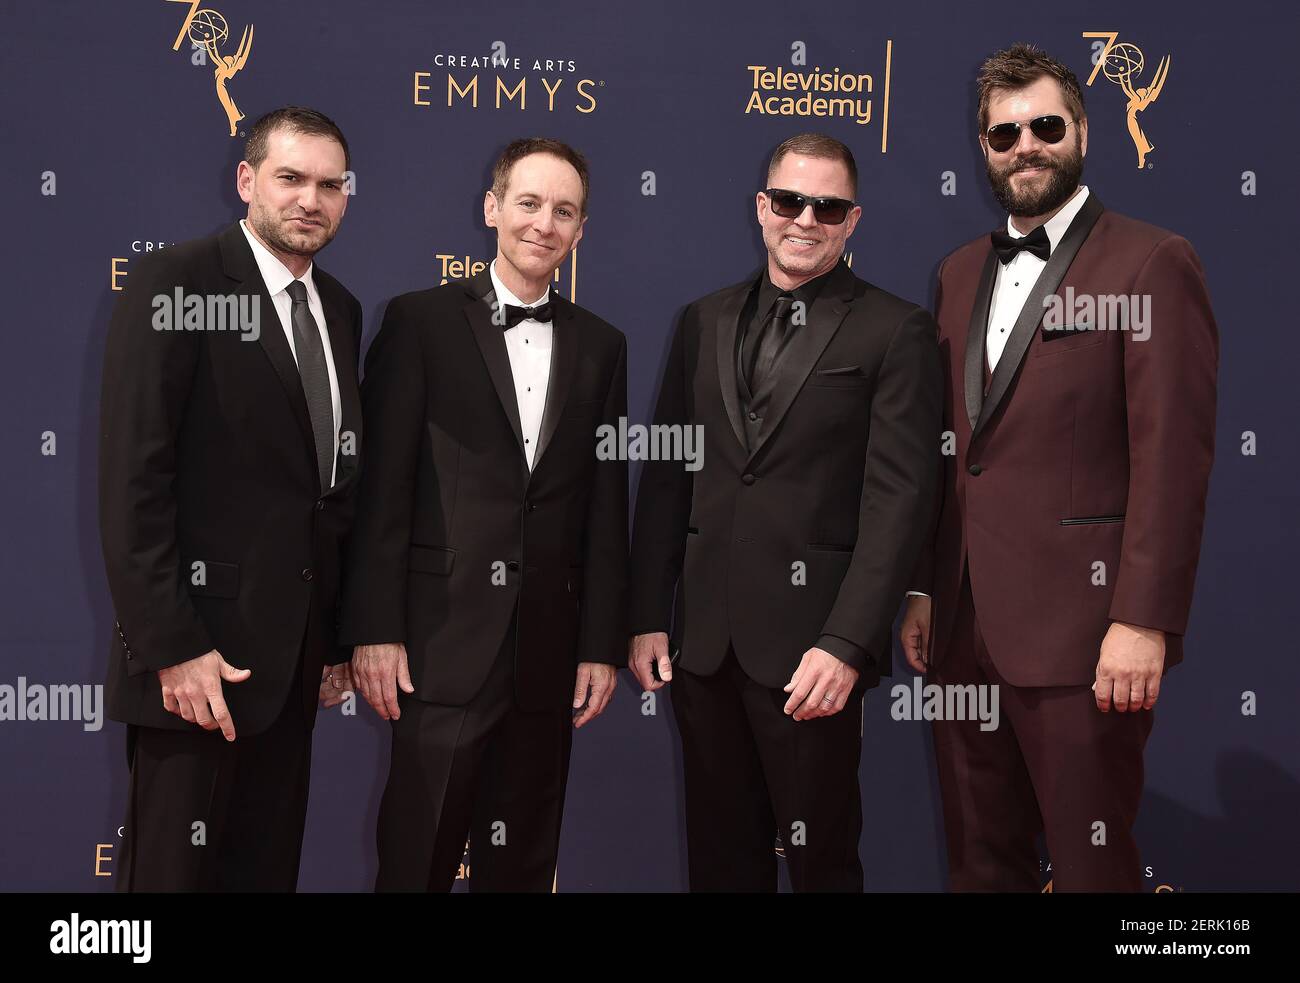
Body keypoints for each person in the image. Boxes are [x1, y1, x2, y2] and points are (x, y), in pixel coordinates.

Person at [900, 43, 1218, 891]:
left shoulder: (1152, 262)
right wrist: (930, 587)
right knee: (980, 863)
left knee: (1091, 869)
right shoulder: (959, 273)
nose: (1025, 146)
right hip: (964, 633)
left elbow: (1173, 458)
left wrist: (1143, 618)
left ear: (1081, 131)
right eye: (1004, 135)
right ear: (984, 148)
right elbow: (955, 452)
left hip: (1087, 637)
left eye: (1044, 125)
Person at [629, 133, 942, 891]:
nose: (807, 219)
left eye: (828, 207)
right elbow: (669, 476)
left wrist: (846, 642)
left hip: (814, 658)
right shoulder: (701, 319)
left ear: (853, 219)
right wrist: (646, 612)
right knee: (720, 862)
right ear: (762, 207)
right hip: (704, 649)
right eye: (791, 201)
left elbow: (899, 499)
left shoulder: (894, 330)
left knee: (822, 863)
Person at [340, 137, 628, 892]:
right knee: (417, 859)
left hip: (547, 656)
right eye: (529, 203)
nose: (544, 223)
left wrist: (600, 642)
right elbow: (382, 490)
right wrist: (374, 627)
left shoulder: (603, 347)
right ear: (492, 207)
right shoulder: (419, 322)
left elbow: (603, 505)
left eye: (564, 211)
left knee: (524, 864)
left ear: (581, 229)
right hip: (438, 646)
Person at [100, 106, 362, 891]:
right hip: (195, 668)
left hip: (292, 673)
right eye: (291, 178)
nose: (310, 200)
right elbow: (133, 481)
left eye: (329, 184)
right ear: (248, 180)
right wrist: (171, 646)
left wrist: (336, 638)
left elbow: (330, 495)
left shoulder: (340, 310)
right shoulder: (175, 280)